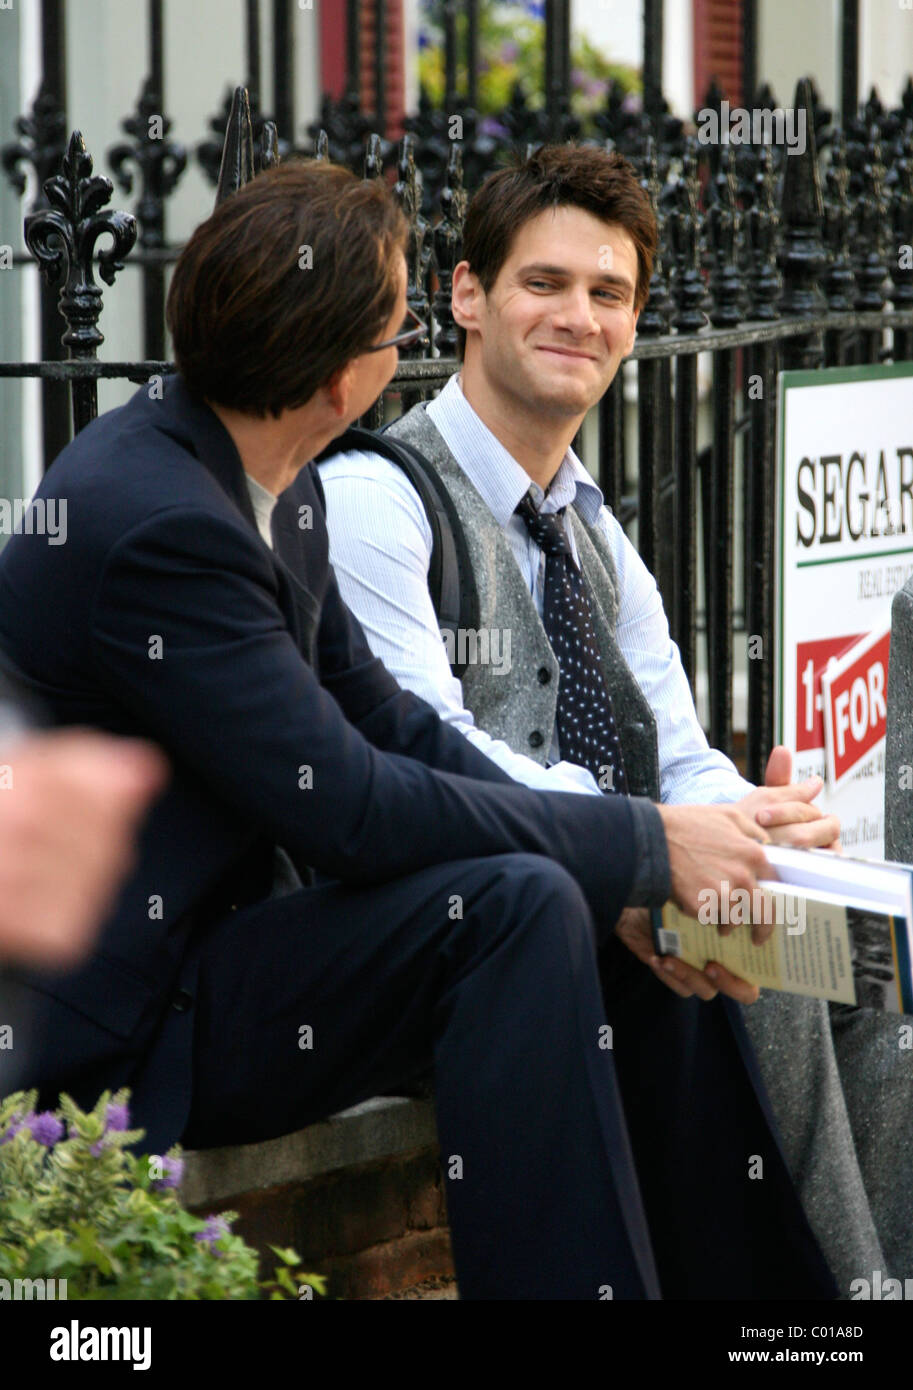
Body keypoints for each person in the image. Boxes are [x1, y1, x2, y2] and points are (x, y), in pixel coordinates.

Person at [0, 160, 835, 1301]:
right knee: (521, 903)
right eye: (397, 335)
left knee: (590, 910)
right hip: (120, 1028)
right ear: (345, 378)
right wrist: (638, 847)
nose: (402, 361)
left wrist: (638, 859)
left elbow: (393, 723)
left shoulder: (265, 476)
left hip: (215, 959)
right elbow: (349, 803)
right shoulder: (161, 523)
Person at [317, 143, 909, 1291]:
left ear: (634, 322)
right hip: (461, 923)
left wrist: (756, 815)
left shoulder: (589, 524)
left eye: (609, 294)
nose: (577, 316)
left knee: (855, 965)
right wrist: (659, 848)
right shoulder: (377, 497)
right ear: (468, 296)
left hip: (616, 896)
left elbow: (681, 755)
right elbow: (427, 755)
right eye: (544, 284)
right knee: (762, 968)